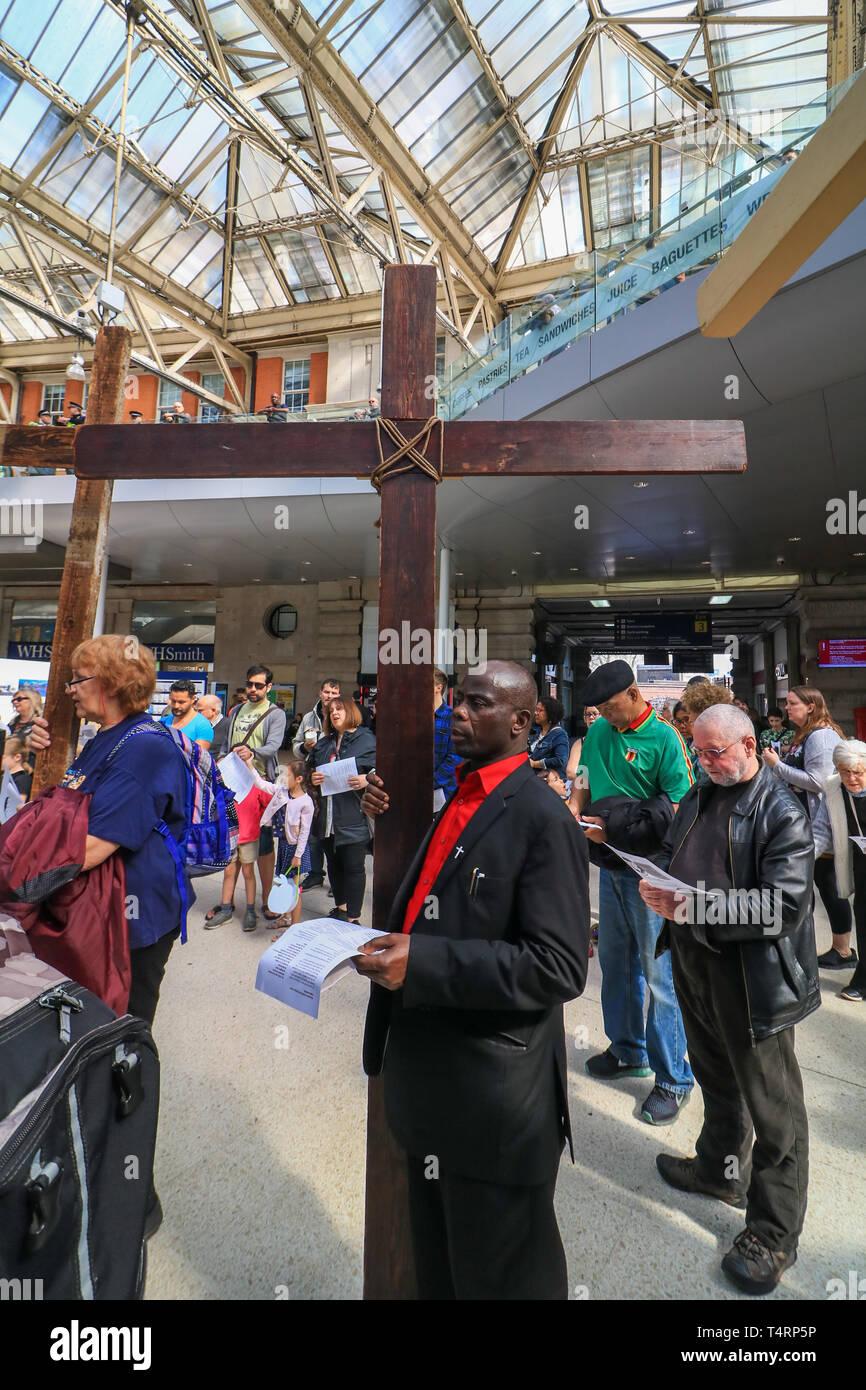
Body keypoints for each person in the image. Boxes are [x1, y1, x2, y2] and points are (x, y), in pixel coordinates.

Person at [357, 661, 590, 1299]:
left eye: (477, 704)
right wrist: (384, 810)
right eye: (458, 701)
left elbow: (559, 965)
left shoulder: (543, 819)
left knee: (502, 1275)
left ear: (521, 722)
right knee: (443, 1266)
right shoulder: (461, 794)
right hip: (434, 1091)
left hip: (493, 1103)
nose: (458, 712)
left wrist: (423, 964)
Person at [640, 704, 818, 1296]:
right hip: (695, 961)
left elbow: (783, 906)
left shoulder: (781, 810)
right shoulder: (699, 796)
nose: (703, 761)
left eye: (715, 752)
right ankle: (719, 1171)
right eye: (698, 751)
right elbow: (673, 853)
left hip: (752, 980)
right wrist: (658, 879)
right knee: (716, 1080)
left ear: (747, 744)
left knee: (775, 1113)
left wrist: (695, 906)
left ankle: (773, 1234)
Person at [26, 636, 190, 1026]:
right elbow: (66, 809)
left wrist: (18, 881)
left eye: (77, 680)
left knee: (120, 1039)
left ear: (109, 684)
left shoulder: (144, 747)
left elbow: (93, 846)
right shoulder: (106, 737)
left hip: (130, 920)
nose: (70, 691)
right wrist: (44, 756)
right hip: (97, 912)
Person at [569, 660, 695, 1126]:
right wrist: (574, 806)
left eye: (610, 705)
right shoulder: (601, 731)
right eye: (598, 707)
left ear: (634, 693)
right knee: (618, 963)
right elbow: (582, 778)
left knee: (659, 974)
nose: (604, 714)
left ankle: (674, 1079)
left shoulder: (664, 738)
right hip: (610, 865)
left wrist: (621, 827)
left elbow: (680, 802)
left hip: (650, 872)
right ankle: (627, 1049)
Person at [762, 685, 851, 970]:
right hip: (807, 824)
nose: (786, 708)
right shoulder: (809, 735)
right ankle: (841, 950)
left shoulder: (821, 737)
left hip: (817, 826)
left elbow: (819, 781)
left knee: (813, 886)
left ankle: (839, 950)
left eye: (792, 703)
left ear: (810, 706)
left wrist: (777, 765)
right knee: (824, 885)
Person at [226, 666, 287, 919]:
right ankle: (229, 902)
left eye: (259, 686)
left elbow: (273, 746)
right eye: (250, 684)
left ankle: (267, 900)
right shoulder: (237, 710)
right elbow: (226, 742)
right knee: (236, 842)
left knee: (262, 845)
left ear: (269, 687)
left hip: (261, 784)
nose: (253, 689)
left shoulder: (276, 714)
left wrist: (252, 753)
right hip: (234, 783)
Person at [309, 697, 375, 924]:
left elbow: (386, 769)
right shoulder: (323, 743)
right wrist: (313, 777)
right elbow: (310, 770)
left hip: (353, 815)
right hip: (327, 818)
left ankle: (354, 918)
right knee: (334, 867)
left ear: (351, 712)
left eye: (339, 709)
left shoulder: (366, 739)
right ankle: (341, 909)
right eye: (331, 711)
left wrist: (368, 778)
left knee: (354, 868)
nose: (334, 713)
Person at [810, 739, 866, 1000]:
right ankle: (863, 979)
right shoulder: (833, 788)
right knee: (863, 918)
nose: (852, 778)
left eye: (858, 772)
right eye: (845, 772)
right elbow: (822, 829)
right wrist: (802, 858)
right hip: (861, 861)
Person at [204, 774, 274, 933]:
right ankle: (226, 909)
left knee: (248, 872)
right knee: (229, 872)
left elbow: (269, 801)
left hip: (249, 837)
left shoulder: (255, 784)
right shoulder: (226, 785)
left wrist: (259, 818)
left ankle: (250, 910)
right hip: (229, 837)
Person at [293, 678, 341, 889]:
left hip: (336, 781)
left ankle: (338, 880)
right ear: (320, 693)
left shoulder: (342, 716)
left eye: (334, 693)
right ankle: (315, 873)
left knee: (334, 831)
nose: (329, 696)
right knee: (311, 829)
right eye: (327, 692)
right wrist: (304, 747)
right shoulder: (309, 718)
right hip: (313, 780)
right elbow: (295, 746)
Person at [260, 758, 315, 936]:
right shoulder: (282, 792)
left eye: (287, 774)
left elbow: (305, 832)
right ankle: (286, 918)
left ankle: (294, 928)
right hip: (284, 846)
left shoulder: (306, 802)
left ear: (299, 779)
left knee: (294, 890)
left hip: (296, 850)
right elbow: (262, 784)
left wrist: (298, 855)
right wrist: (248, 764)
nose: (283, 777)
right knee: (284, 886)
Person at [433, 668, 460, 804]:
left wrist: (431, 782)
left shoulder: (453, 718)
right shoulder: (414, 718)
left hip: (444, 794)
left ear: (438, 688)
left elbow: (455, 758)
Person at [161, 680, 212, 749]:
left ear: (193, 699)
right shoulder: (163, 722)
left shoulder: (203, 725)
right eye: (173, 701)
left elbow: (198, 756)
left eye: (181, 702)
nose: (176, 706)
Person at [528, 694, 569, 776]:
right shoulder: (536, 732)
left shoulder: (559, 734)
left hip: (549, 782)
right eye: (536, 710)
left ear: (550, 713)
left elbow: (560, 760)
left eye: (540, 710)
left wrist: (535, 764)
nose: (536, 713)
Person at [7, 687, 42, 768]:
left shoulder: (40, 723)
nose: (15, 702)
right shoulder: (13, 722)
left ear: (32, 700)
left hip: (30, 769)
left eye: (19, 699)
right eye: (13, 700)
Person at [565, 704, 599, 788]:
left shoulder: (611, 739)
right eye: (588, 714)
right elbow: (571, 772)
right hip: (584, 791)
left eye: (595, 714)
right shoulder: (579, 743)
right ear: (584, 718)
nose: (591, 717)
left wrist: (583, 771)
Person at [196, 692, 229, 758]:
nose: (197, 713)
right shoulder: (197, 724)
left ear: (213, 710)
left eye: (200, 711)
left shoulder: (228, 726)